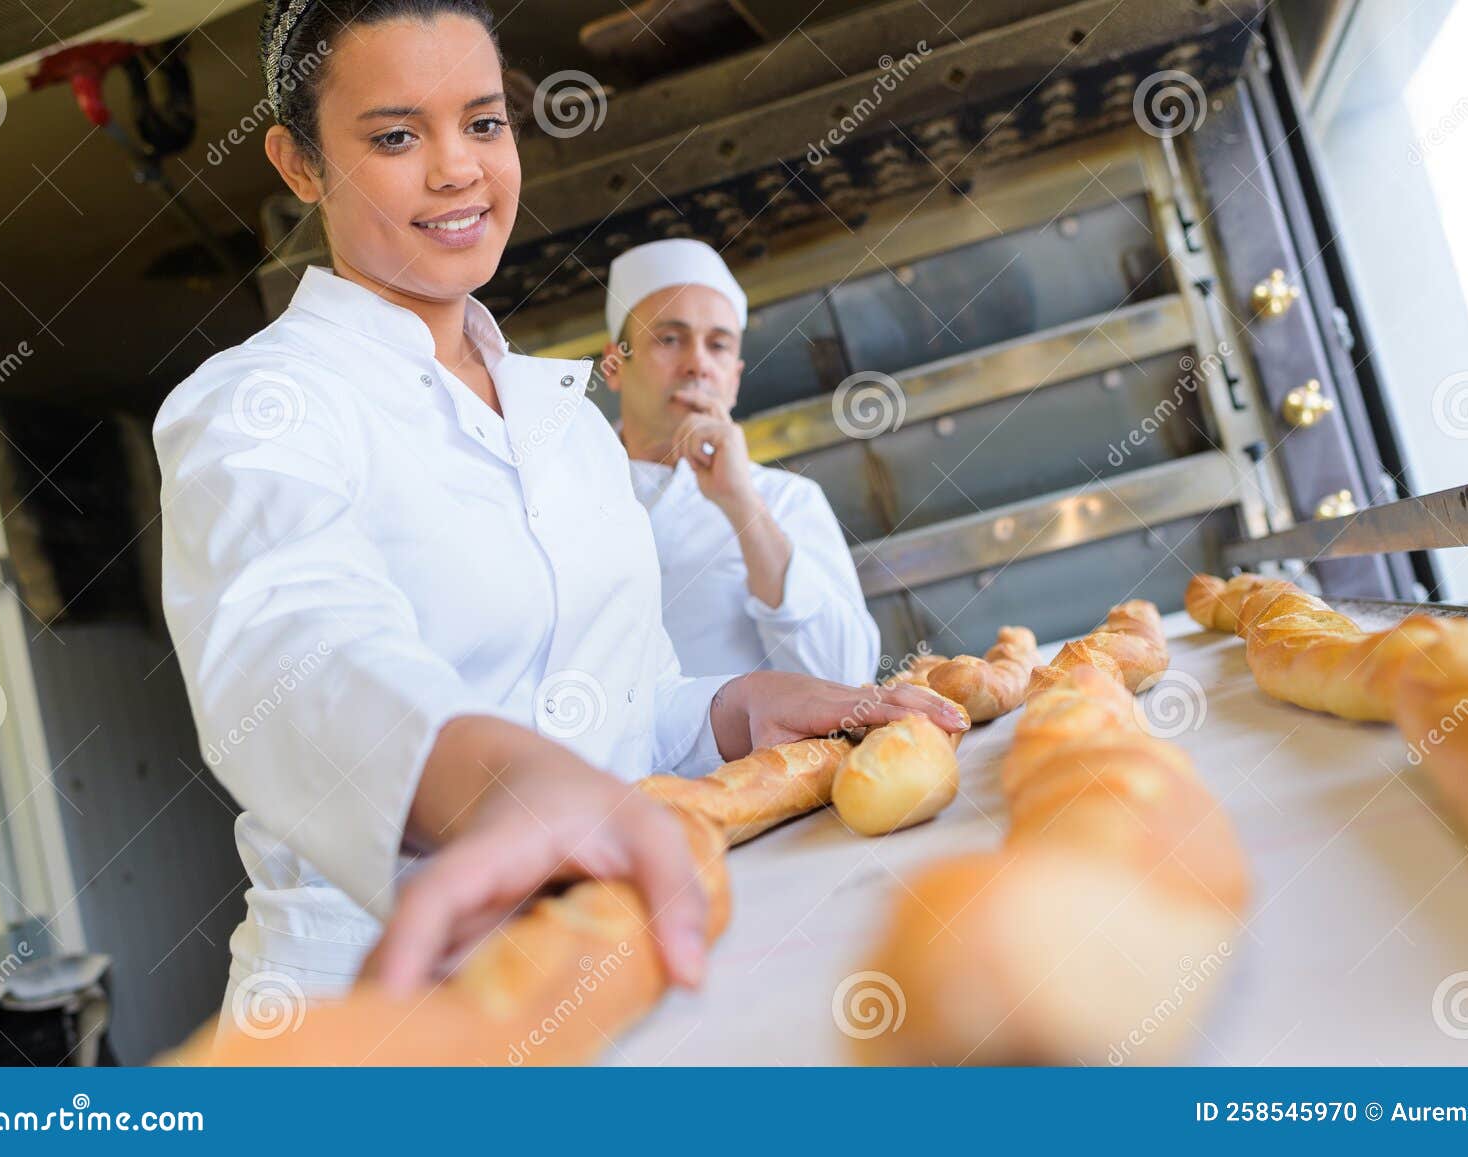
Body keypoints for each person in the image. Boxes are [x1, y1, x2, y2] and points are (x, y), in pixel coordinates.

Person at [153, 0, 967, 1030]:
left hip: (609, 956)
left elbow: (614, 714)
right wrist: (500, 781)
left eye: (484, 123)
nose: (458, 170)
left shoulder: (563, 418)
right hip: (379, 996)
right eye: (397, 135)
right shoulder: (259, 404)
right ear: (299, 163)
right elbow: (293, 645)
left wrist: (740, 706)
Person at [603, 239, 882, 685]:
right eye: (669, 339)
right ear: (614, 364)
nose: (697, 364)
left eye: (718, 346)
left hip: (756, 758)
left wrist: (741, 506)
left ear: (733, 378)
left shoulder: (787, 501)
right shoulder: (562, 493)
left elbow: (845, 679)